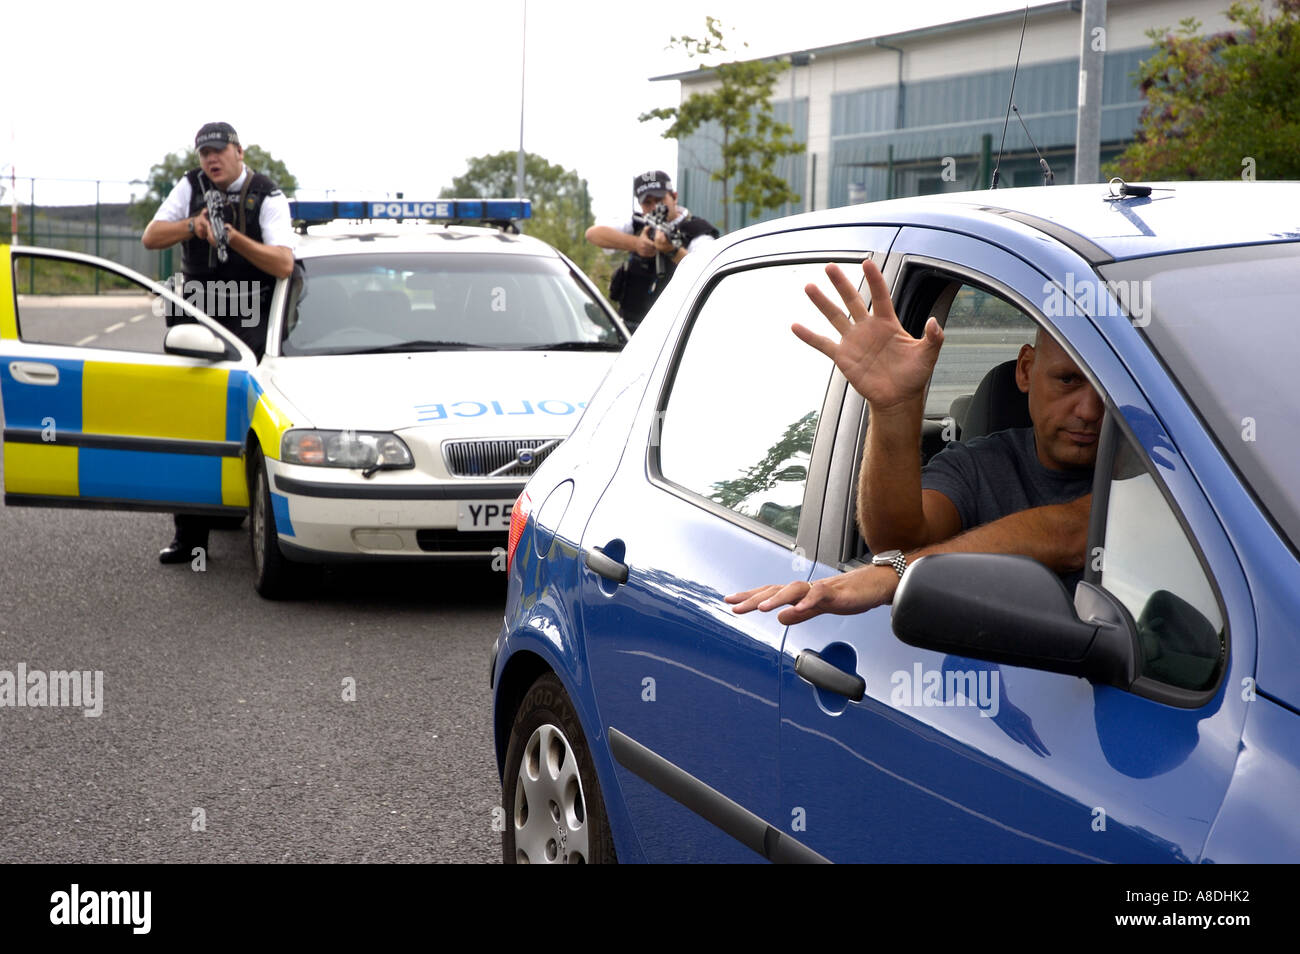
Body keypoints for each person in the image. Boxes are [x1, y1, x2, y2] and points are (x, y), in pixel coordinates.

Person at [727, 258, 1100, 624]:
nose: (1089, 410)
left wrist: (892, 574)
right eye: (1068, 380)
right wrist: (893, 411)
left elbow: (1071, 531)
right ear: (1025, 370)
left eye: (1106, 391)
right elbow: (898, 542)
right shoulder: (977, 466)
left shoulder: (1145, 470)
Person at [142, 121, 295, 564]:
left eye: (218, 151)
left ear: (239, 151)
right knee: (192, 420)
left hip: (253, 322)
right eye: (204, 153)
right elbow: (151, 237)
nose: (210, 160)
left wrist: (233, 238)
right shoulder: (189, 186)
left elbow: (284, 263)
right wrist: (194, 225)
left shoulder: (267, 194)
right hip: (201, 319)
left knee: (256, 420)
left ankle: (267, 520)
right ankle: (190, 537)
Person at [585, 170, 718, 331]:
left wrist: (673, 251)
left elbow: (707, 272)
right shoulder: (638, 223)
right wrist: (636, 244)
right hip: (630, 324)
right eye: (647, 203)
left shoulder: (697, 231)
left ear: (674, 197)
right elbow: (593, 234)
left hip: (674, 330)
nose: (655, 207)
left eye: (660, 200)